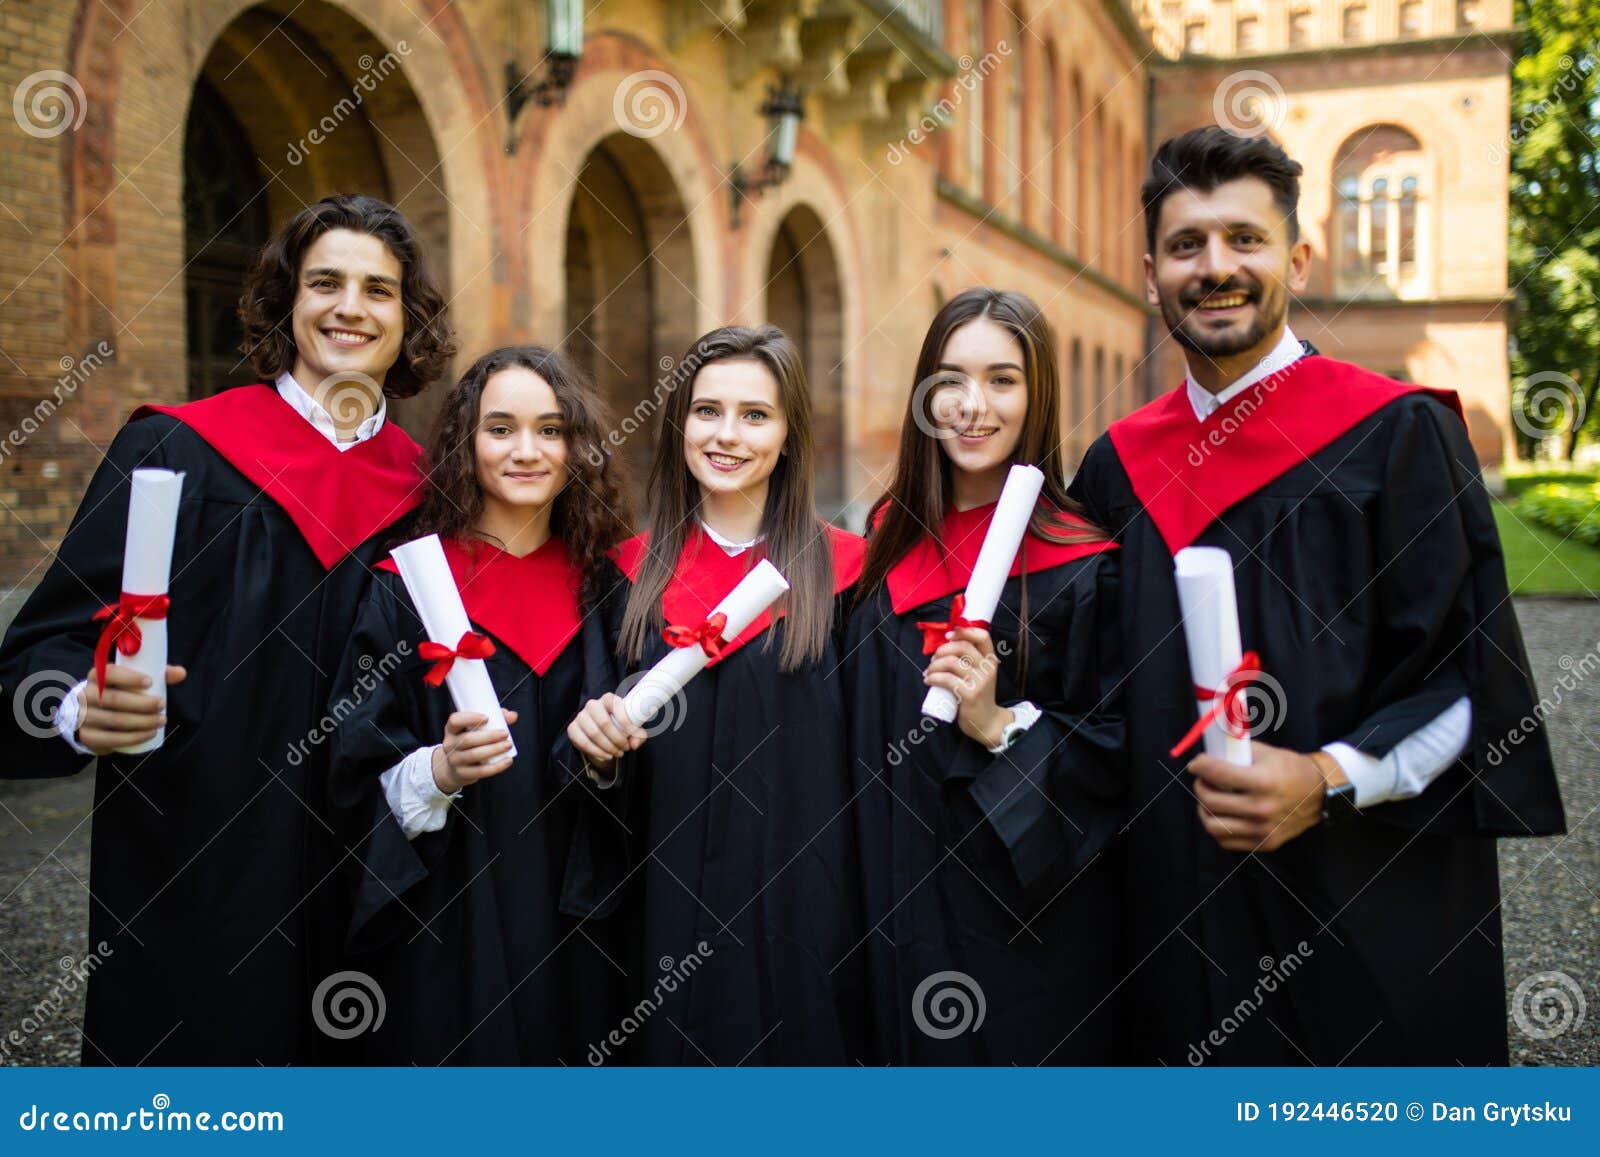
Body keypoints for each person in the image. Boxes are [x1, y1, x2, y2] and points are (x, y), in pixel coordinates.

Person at [1068, 126, 1566, 1065]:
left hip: (1358, 900)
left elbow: (1468, 685)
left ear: (1296, 259)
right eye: (1187, 246)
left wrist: (1329, 777)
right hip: (1165, 921)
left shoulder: (1396, 438)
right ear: (1150, 274)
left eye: (1245, 240)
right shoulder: (1116, 468)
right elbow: (1082, 694)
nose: (1216, 267)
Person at [0, 193, 456, 1064]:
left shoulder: (431, 492)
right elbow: (38, 653)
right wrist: (74, 705)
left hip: (373, 860)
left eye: (378, 289)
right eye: (324, 282)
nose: (350, 307)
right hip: (194, 854)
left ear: (409, 319)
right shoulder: (177, 452)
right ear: (289, 302)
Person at [563, 325, 870, 1064]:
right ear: (679, 426)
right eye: (707, 411)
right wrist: (597, 753)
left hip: (808, 915)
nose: (727, 434)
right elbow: (592, 772)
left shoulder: (851, 577)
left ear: (791, 434)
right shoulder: (625, 580)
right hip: (662, 914)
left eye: (756, 415)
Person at [843, 288, 1126, 1064]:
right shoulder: (883, 541)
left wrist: (1000, 723)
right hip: (885, 893)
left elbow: (1118, 754)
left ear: (1036, 398)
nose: (973, 405)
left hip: (1016, 923)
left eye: (1003, 380)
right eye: (952, 380)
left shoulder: (1085, 565)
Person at [326, 345, 631, 1064]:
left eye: (551, 430)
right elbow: (348, 765)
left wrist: (612, 759)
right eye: (500, 429)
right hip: (445, 915)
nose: (527, 450)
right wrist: (437, 768)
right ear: (466, 443)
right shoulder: (406, 589)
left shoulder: (607, 592)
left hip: (574, 914)